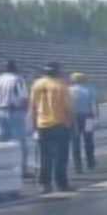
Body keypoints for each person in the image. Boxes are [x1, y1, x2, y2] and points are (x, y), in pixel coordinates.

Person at [29, 61, 74, 194]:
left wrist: (34, 127)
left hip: (42, 124)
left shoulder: (37, 84)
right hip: (60, 124)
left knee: (45, 156)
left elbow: (33, 107)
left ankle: (45, 184)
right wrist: (71, 124)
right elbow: (69, 108)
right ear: (57, 71)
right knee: (61, 156)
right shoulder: (61, 85)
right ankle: (61, 183)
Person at [0, 60, 31, 177]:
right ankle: (22, 169)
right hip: (14, 111)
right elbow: (23, 97)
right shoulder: (18, 79)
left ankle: (1, 168)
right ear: (15, 68)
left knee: (0, 142)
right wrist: (25, 110)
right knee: (20, 142)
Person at [68, 72, 99, 173]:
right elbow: (94, 104)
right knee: (89, 140)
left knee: (75, 141)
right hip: (88, 116)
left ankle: (78, 165)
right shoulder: (90, 89)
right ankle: (91, 162)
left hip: (74, 117)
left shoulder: (69, 90)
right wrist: (96, 117)